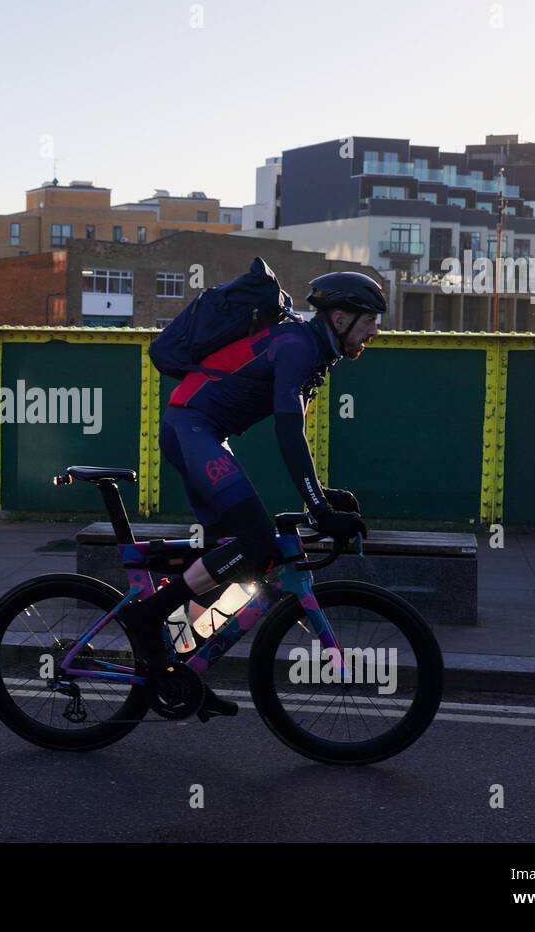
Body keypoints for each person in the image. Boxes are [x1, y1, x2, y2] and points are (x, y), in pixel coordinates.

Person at [118, 270, 386, 720]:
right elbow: (288, 431)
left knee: (231, 555)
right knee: (257, 544)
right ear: (340, 318)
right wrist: (318, 509)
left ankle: (178, 666)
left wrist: (321, 496)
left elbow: (294, 432)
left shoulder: (312, 351)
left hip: (202, 432)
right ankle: (149, 615)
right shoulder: (300, 346)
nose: (376, 330)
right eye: (370, 319)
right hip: (192, 428)